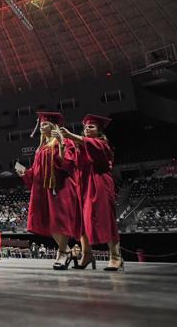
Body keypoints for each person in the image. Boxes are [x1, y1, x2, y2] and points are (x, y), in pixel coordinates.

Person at [16, 112, 81, 270]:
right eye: (41, 124)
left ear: (53, 126)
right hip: (42, 189)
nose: (41, 126)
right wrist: (25, 172)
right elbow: (37, 170)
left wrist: (61, 143)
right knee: (49, 222)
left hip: (59, 187)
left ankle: (62, 253)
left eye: (45, 124)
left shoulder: (65, 141)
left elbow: (68, 164)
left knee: (59, 221)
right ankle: (67, 251)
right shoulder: (42, 147)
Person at [61, 114, 123, 271]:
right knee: (82, 221)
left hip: (100, 183)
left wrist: (69, 135)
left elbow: (91, 145)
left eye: (91, 127)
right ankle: (86, 255)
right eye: (86, 127)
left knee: (105, 218)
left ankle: (115, 257)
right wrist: (63, 145)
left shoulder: (102, 144)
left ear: (99, 131)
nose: (87, 129)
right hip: (82, 185)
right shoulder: (80, 146)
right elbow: (68, 164)